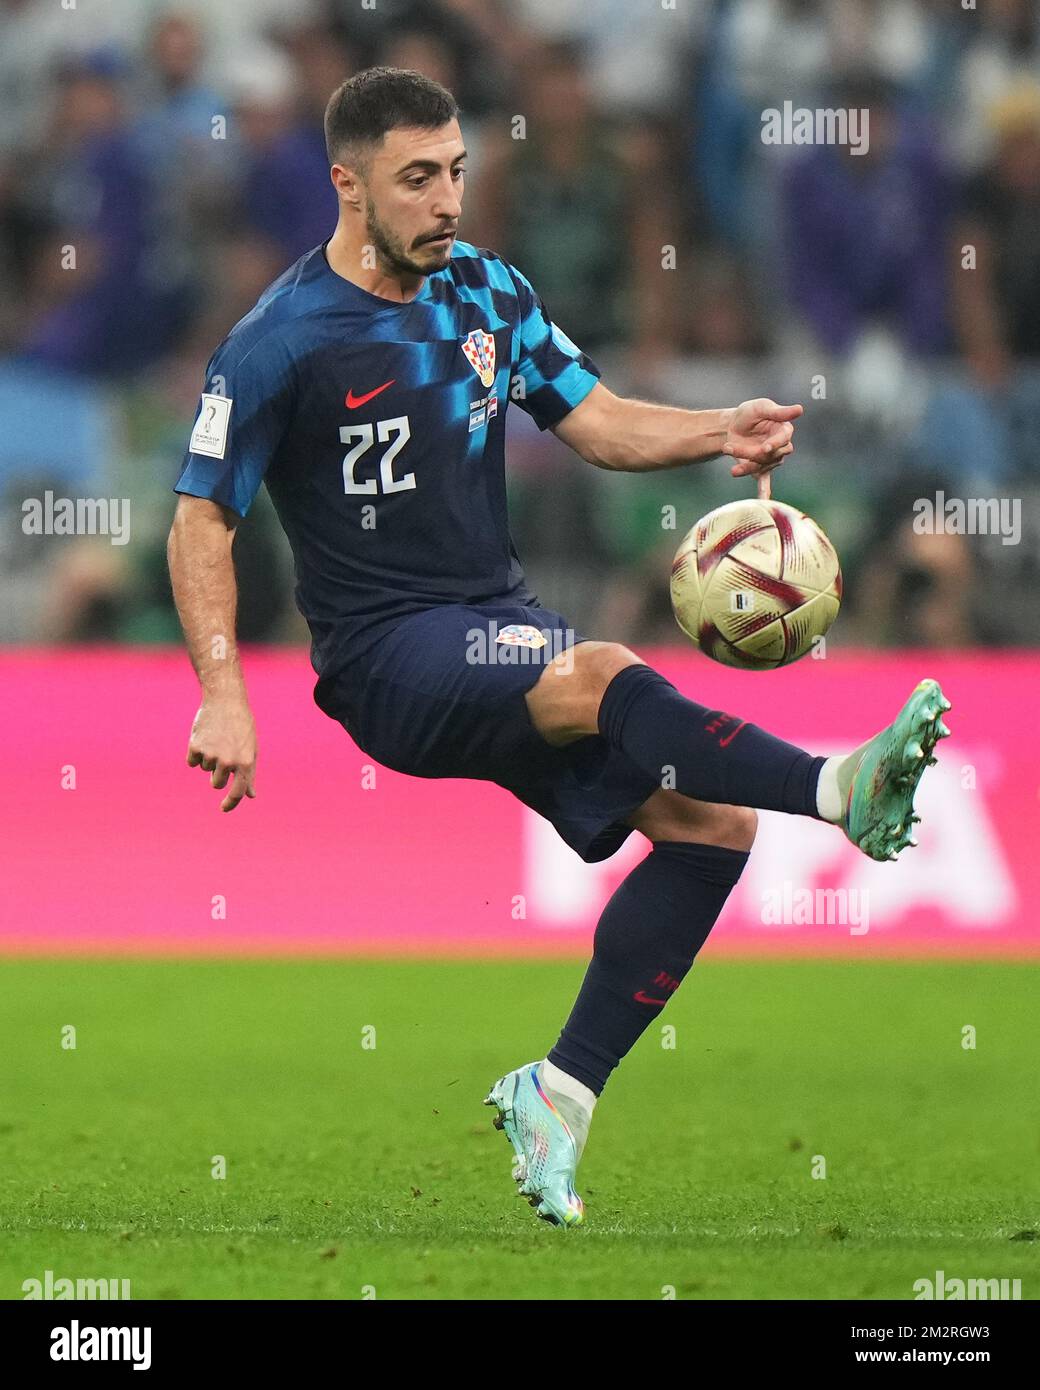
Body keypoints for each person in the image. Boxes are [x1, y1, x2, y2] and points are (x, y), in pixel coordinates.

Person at [167, 67, 951, 1229]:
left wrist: (713, 427)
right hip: (386, 659)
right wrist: (222, 692)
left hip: (496, 623)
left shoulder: (484, 290)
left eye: (457, 173)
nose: (447, 201)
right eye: (417, 179)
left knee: (707, 831)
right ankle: (839, 787)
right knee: (603, 674)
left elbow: (592, 417)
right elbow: (200, 519)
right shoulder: (278, 342)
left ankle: (558, 1093)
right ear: (346, 185)